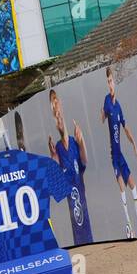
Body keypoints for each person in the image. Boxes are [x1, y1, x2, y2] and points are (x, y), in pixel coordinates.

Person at [100, 67, 137, 239]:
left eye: (112, 81)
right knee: (121, 187)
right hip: (115, 156)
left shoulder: (118, 106)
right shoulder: (107, 101)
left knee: (133, 184)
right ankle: (129, 226)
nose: (110, 84)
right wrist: (102, 114)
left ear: (115, 83)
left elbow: (125, 128)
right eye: (108, 81)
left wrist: (134, 144)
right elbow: (103, 115)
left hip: (122, 155)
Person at [47, 89, 92, 246]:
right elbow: (58, 187)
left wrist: (82, 143)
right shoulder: (58, 149)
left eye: (56, 104)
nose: (56, 113)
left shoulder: (74, 142)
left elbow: (84, 163)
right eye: (53, 109)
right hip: (74, 213)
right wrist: (54, 160)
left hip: (83, 208)